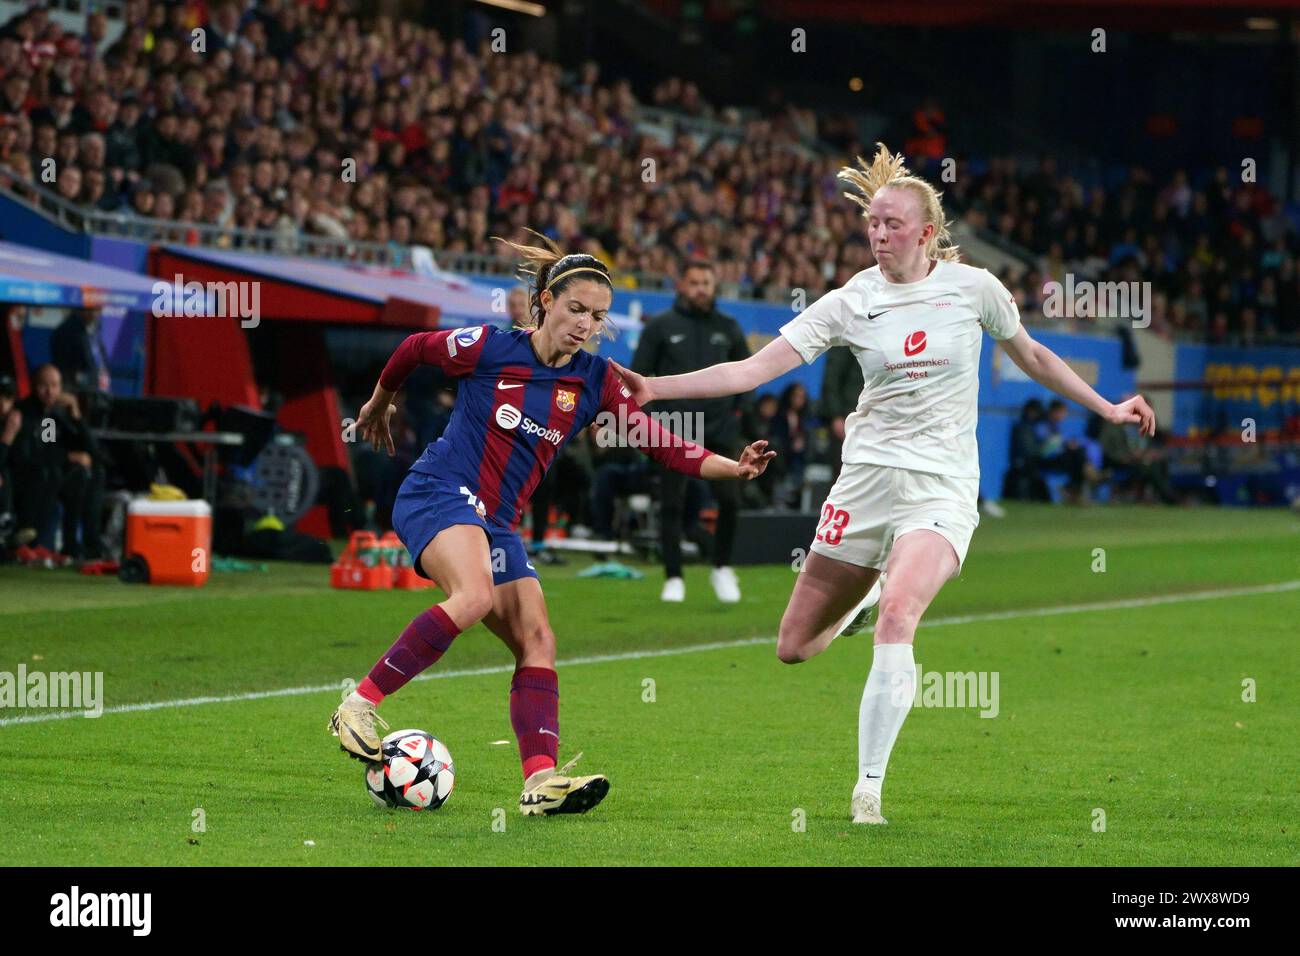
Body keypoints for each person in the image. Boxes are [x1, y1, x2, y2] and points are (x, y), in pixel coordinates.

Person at [611, 143, 1155, 825]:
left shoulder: (974, 290)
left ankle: (868, 787)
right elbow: (752, 370)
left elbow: (1036, 356)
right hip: (864, 485)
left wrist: (1108, 408)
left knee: (901, 615)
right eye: (871, 223)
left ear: (927, 233)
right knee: (795, 646)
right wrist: (654, 387)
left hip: (940, 486)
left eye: (892, 223)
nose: (878, 233)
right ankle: (863, 592)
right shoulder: (850, 301)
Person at [329, 237, 774, 817]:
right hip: (438, 491)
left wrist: (730, 466)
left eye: (597, 316)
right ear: (544, 302)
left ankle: (539, 782)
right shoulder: (489, 347)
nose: (586, 325)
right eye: (576, 310)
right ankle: (357, 705)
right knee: (474, 595)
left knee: (538, 640)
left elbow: (660, 445)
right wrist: (379, 402)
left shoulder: (595, 381)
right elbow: (415, 347)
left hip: (499, 525)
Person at [631, 259, 752, 603]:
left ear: (714, 287)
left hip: (720, 427)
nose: (701, 288)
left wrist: (739, 416)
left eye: (706, 282)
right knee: (672, 503)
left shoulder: (728, 328)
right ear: (681, 285)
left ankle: (722, 567)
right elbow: (640, 375)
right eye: (694, 282)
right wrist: (652, 424)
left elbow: (747, 375)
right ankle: (673, 576)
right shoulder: (660, 327)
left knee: (731, 499)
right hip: (676, 427)